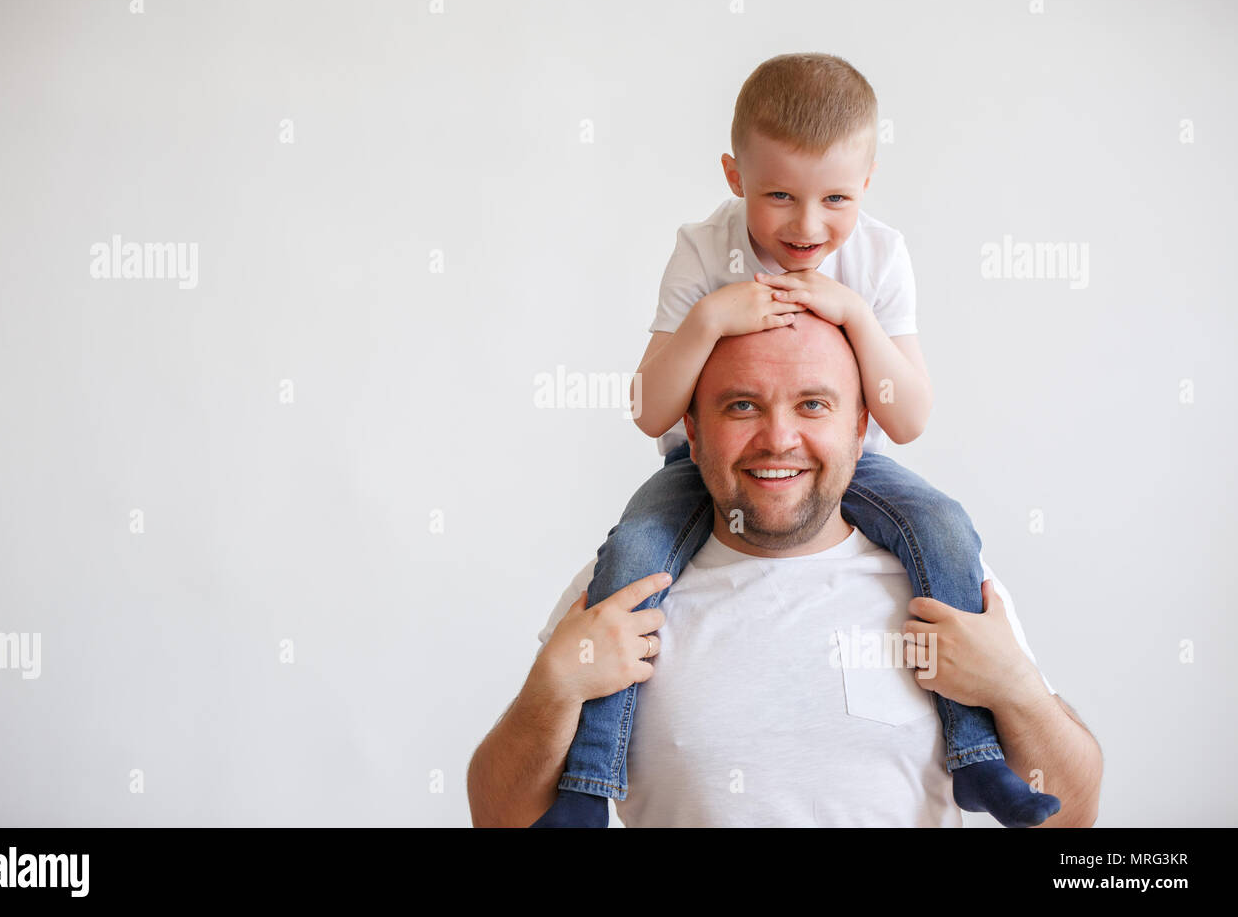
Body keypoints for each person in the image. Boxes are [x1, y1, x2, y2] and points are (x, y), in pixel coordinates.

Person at [527, 51, 1060, 828]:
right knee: (631, 557)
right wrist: (712, 317)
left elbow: (905, 418)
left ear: (868, 183)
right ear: (733, 174)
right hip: (704, 466)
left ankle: (979, 763)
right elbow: (649, 409)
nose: (807, 227)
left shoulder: (877, 255)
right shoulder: (705, 250)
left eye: (835, 198)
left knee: (946, 529)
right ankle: (584, 782)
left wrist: (855, 315)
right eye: (779, 195)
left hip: (851, 462)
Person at [466, 315, 1103, 827]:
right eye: (741, 406)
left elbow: (1071, 820)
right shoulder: (619, 593)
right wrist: (551, 689)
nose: (778, 438)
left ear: (860, 427)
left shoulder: (948, 584)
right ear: (691, 428)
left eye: (813, 405)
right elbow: (498, 819)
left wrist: (1015, 688)